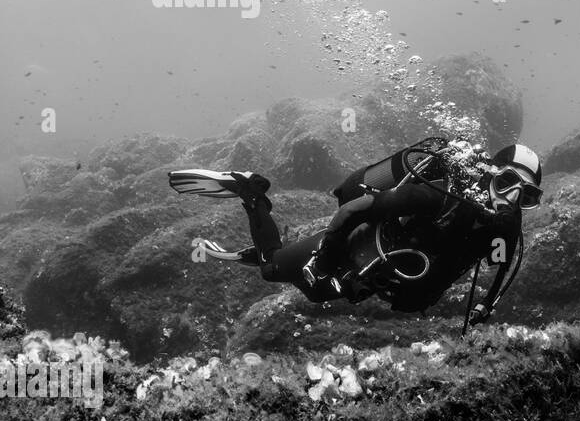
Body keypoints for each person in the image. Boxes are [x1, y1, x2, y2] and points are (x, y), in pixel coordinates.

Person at [168, 138, 542, 328]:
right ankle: (250, 191)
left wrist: (484, 306)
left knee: (315, 296)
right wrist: (325, 260)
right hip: (354, 247)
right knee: (274, 271)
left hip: (377, 278)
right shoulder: (438, 197)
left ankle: (270, 250)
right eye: (507, 182)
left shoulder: (504, 230)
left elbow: (500, 270)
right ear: (489, 174)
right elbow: (352, 208)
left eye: (525, 195)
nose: (510, 199)